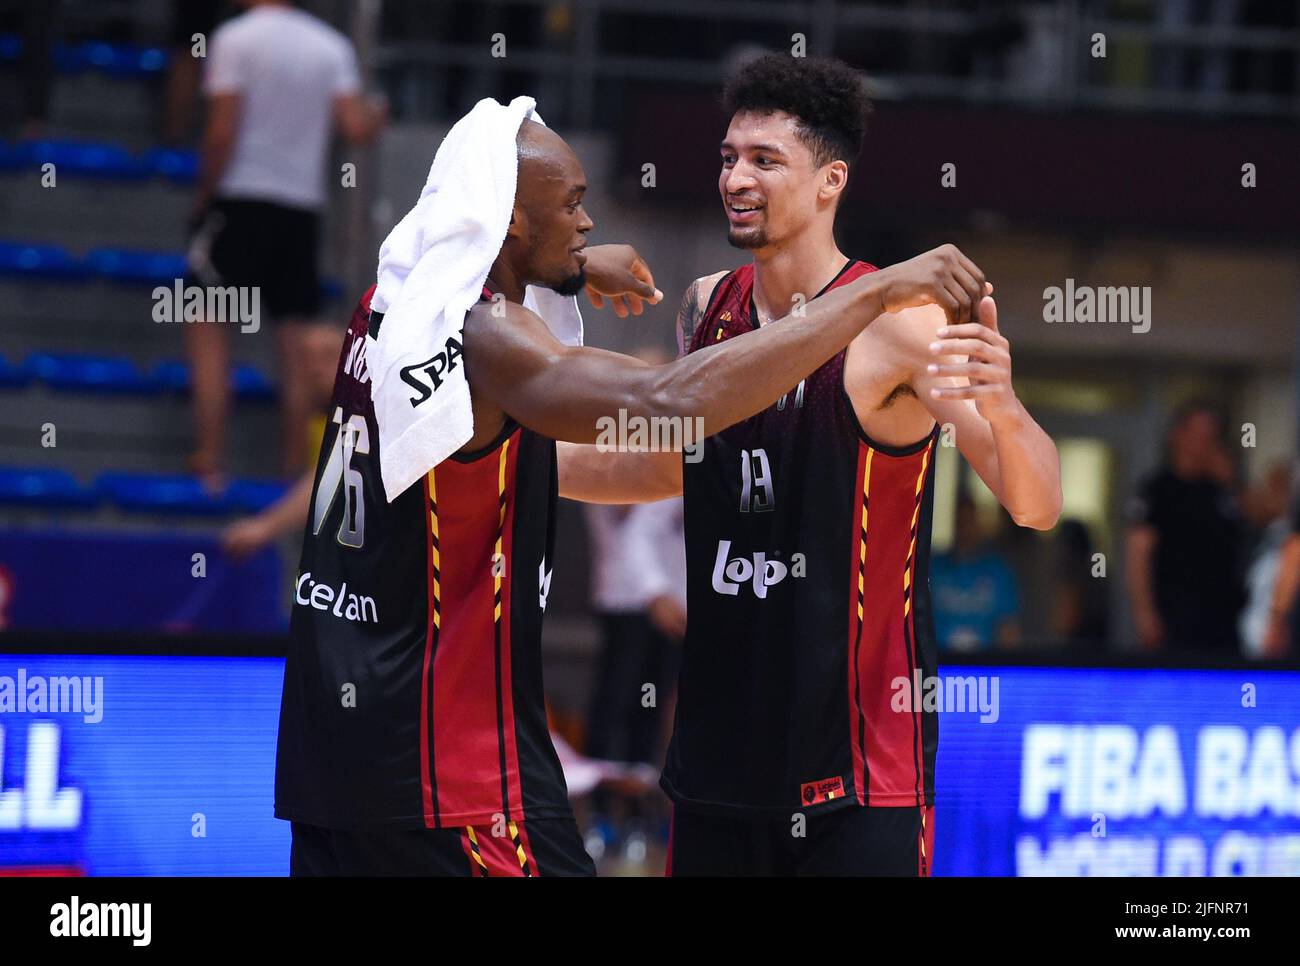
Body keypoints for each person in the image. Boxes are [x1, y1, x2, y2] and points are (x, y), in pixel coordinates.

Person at [273, 107, 993, 876]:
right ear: (512, 221)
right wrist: (865, 297)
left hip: (332, 758)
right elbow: (668, 405)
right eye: (572, 206)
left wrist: (569, 265)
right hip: (450, 770)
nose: (587, 222)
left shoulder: (389, 306)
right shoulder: (488, 338)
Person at [558, 53, 1061, 876]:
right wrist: (516, 458)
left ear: (830, 181)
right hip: (720, 757)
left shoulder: (903, 325)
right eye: (727, 158)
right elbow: (671, 465)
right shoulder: (706, 306)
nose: (736, 178)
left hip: (858, 772)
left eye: (764, 160)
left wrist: (1004, 407)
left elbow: (1036, 503)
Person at [185, 0, 386, 486]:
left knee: (208, 328)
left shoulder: (235, 39)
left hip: (240, 200)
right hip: (300, 209)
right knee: (295, 345)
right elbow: (355, 127)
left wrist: (202, 198)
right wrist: (382, 109)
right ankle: (293, 470)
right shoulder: (331, 46)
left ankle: (211, 460)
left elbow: (220, 131)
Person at [1126, 399, 1245, 653]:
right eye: (1198, 433)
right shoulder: (1158, 489)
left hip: (1222, 616)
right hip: (1175, 612)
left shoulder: (1220, 490)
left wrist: (1230, 481)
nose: (1204, 442)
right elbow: (1138, 552)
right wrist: (1145, 613)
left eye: (1211, 436)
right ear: (1178, 435)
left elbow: (1258, 522)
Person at [930, 492, 1021, 651]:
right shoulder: (934, 567)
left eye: (970, 520)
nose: (965, 527)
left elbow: (1009, 629)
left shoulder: (997, 571)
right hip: (939, 663)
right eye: (961, 520)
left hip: (985, 668)